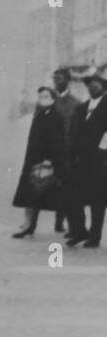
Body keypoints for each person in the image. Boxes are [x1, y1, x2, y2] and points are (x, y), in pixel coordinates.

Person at [12, 86, 68, 238]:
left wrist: (48, 159)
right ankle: (29, 225)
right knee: (33, 194)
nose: (42, 99)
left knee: (42, 193)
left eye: (45, 96)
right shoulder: (40, 114)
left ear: (53, 99)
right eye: (40, 96)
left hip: (45, 161)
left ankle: (35, 226)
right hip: (34, 160)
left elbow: (57, 141)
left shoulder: (55, 116)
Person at [65, 71, 107, 248]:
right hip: (80, 160)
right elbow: (73, 132)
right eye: (89, 84)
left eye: (96, 84)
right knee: (74, 196)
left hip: (100, 161)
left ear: (103, 87)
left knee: (98, 200)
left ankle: (94, 236)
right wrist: (71, 154)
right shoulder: (81, 108)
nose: (92, 87)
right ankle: (79, 231)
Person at [51, 68, 79, 233]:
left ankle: (64, 221)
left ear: (67, 81)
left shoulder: (76, 103)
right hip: (51, 150)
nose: (56, 82)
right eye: (54, 79)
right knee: (52, 185)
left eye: (60, 79)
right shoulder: (49, 101)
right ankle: (57, 220)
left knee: (68, 186)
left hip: (69, 151)